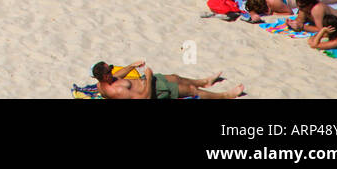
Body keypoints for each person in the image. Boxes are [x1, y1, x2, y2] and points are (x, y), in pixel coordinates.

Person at [92, 62, 244, 99]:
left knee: (176, 77)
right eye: (109, 70)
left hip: (149, 81)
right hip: (155, 91)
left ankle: (205, 81)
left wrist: (132, 65)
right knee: (191, 90)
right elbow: (144, 97)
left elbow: (119, 74)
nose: (113, 71)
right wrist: (149, 78)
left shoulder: (102, 82)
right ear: (105, 76)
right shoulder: (116, 90)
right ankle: (225, 96)